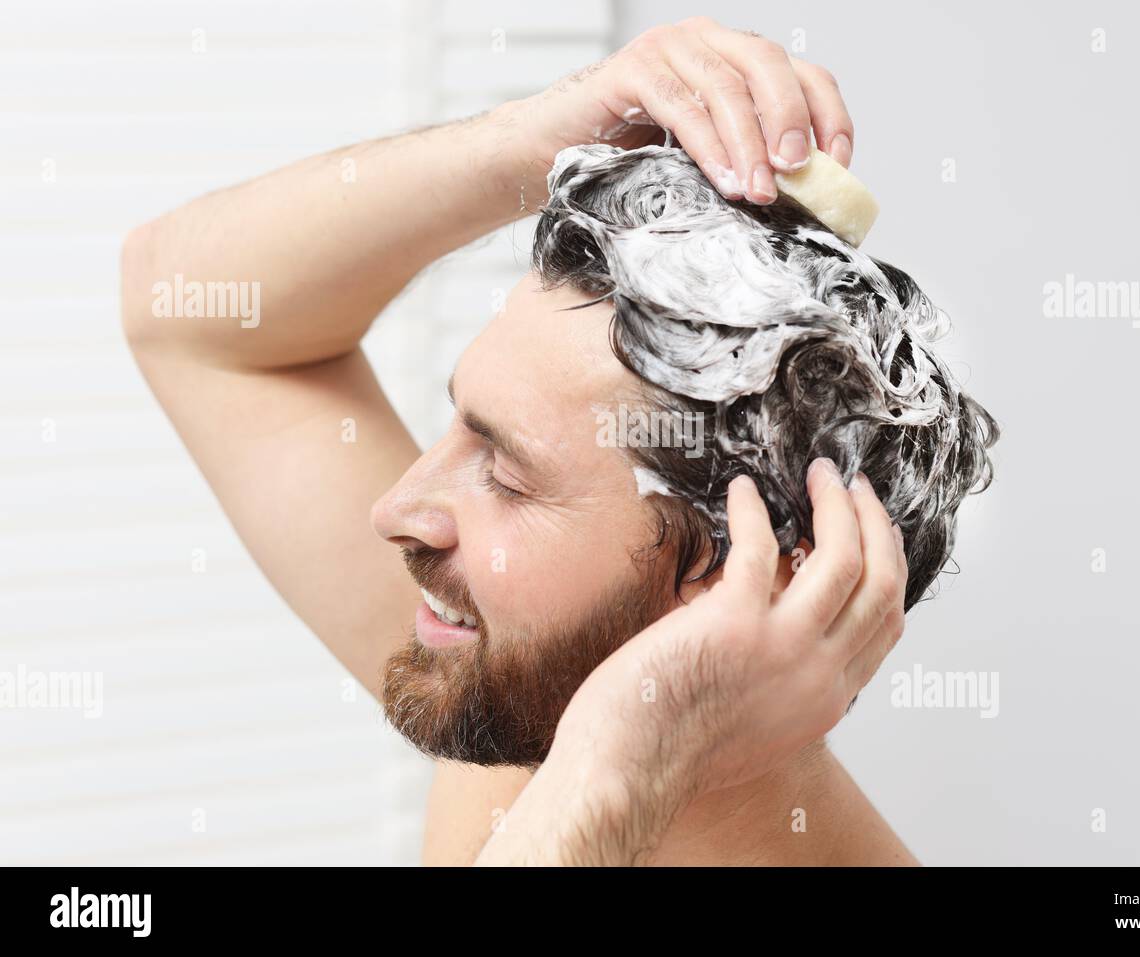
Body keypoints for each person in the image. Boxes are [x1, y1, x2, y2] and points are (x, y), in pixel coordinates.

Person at [120, 17, 995, 865]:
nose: (396, 509)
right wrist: (534, 139)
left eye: (507, 475)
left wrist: (621, 772)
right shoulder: (528, 711)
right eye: (457, 425)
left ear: (751, 577)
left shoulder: (561, 747)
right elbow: (190, 314)